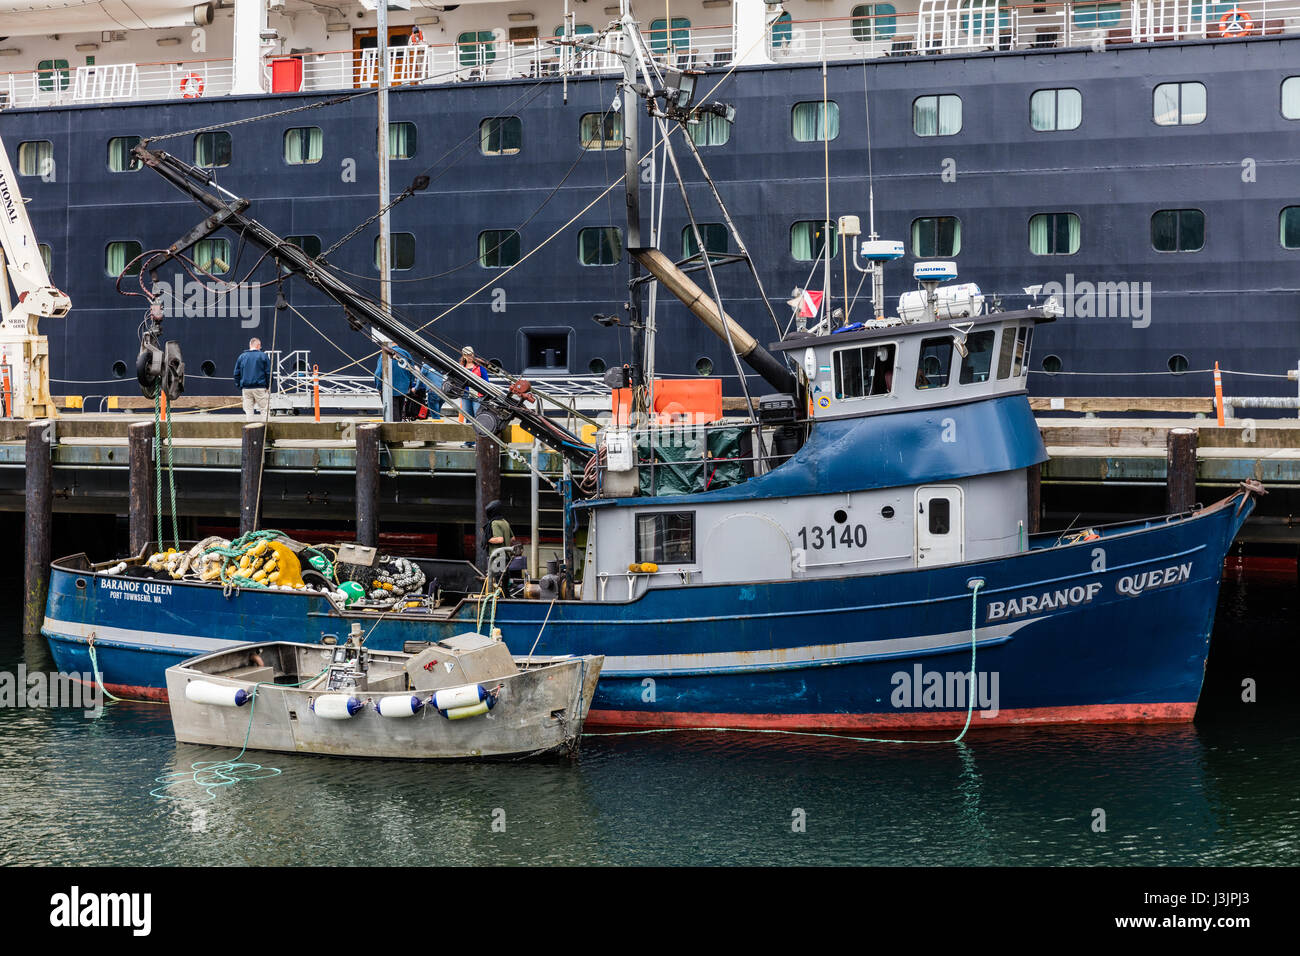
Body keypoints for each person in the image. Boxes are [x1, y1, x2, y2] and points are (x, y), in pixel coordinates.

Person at [373, 345, 417, 420]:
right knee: (400, 414)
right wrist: (409, 385)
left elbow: (379, 373)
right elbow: (412, 371)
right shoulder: (405, 353)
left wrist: (379, 387)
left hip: (389, 390)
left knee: (391, 416)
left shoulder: (385, 354)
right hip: (403, 390)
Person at [232, 337, 271, 420]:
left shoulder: (242, 357)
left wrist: (240, 385)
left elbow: (236, 374)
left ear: (250, 345)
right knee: (264, 411)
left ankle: (250, 430)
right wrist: (268, 386)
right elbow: (268, 373)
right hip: (259, 387)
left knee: (249, 411)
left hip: (246, 389)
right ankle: (265, 431)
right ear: (258, 345)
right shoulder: (263, 356)